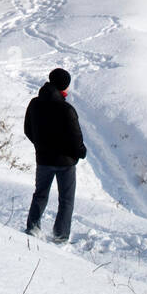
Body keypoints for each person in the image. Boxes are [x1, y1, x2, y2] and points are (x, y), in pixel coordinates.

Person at [23, 67, 87, 244]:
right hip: (65, 162)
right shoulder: (66, 109)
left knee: (40, 195)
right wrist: (81, 152)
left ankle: (32, 229)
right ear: (64, 87)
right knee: (66, 200)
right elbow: (76, 138)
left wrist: (40, 146)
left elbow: (28, 129)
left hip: (43, 159)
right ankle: (60, 236)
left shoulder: (34, 104)